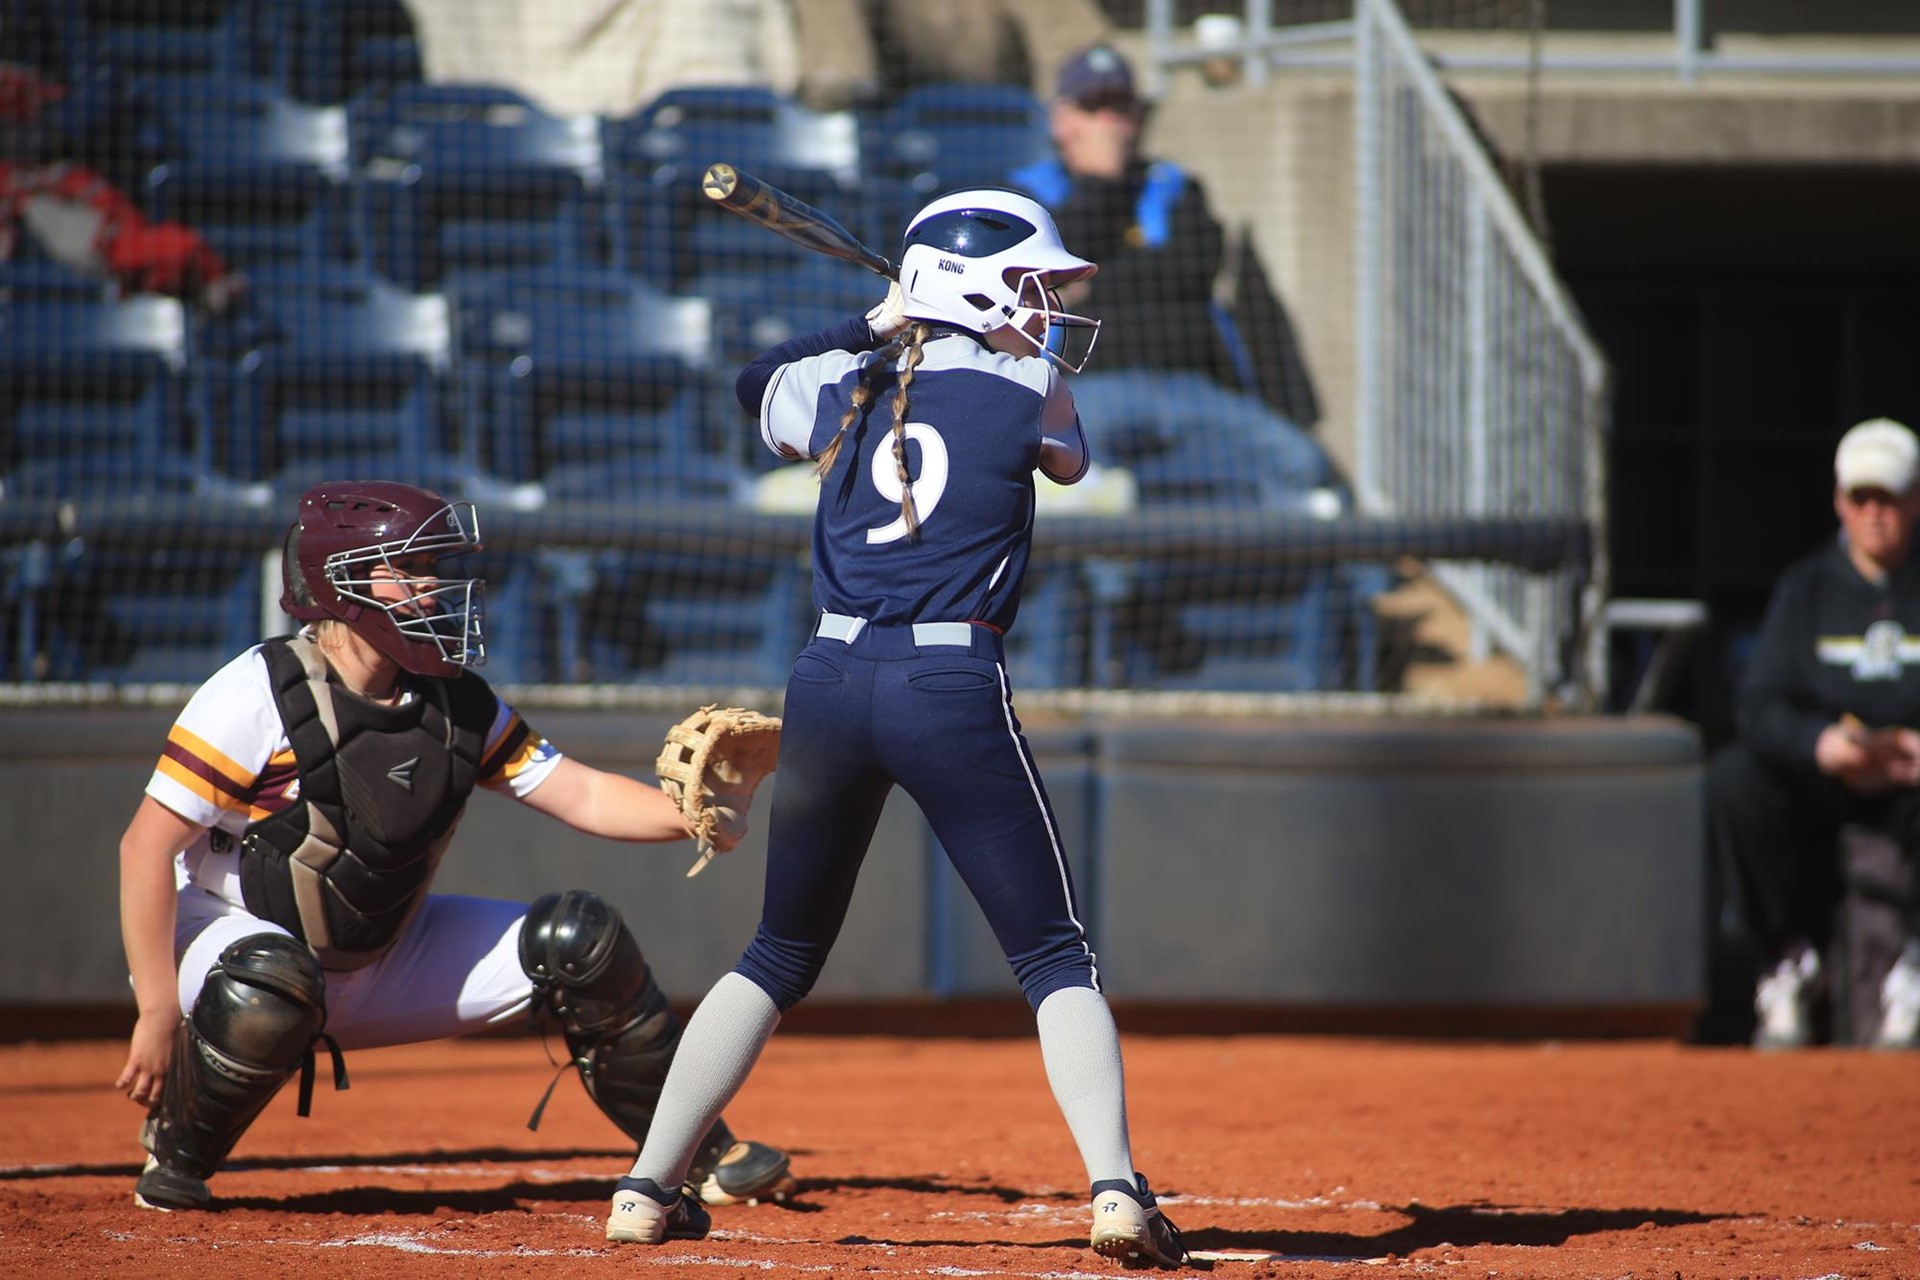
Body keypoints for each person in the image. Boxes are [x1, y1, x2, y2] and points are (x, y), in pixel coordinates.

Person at [598, 189, 1189, 1269]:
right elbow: (1069, 463)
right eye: (1033, 287)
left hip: (827, 676)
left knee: (778, 950)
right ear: (977, 287)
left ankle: (647, 1183)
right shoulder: (1031, 384)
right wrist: (927, 329)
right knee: (1055, 953)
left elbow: (752, 386)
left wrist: (864, 329)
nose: (1047, 308)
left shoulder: (847, 380)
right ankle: (1116, 1189)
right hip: (947, 684)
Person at [116, 480, 794, 1211]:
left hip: (382, 955)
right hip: (237, 947)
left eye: (435, 568)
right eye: (411, 569)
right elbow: (145, 849)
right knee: (270, 983)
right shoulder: (258, 692)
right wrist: (156, 1010)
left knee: (581, 939)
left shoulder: (455, 700)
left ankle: (699, 1156)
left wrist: (698, 813)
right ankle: (178, 1156)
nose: (435, 587)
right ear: (343, 580)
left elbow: (582, 793)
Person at [1710, 417, 1920, 1050]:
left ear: (1916, 501)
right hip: (1829, 779)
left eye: (1889, 498)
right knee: (1735, 779)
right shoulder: (1805, 589)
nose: (1875, 514)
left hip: (1911, 784)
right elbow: (1759, 705)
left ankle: (1911, 971)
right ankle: (1786, 961)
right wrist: (1823, 744)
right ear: (1839, 502)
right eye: (1862, 499)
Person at [1010, 42, 1320, 427]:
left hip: (1191, 390)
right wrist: (1100, 182)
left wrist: (1085, 286)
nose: (1107, 123)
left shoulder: (1176, 188)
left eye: (1119, 107)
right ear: (1060, 120)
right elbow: (1037, 275)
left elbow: (1191, 273)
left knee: (1300, 465)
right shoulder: (1025, 196)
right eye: (1092, 108)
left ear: (1138, 117)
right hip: (1078, 392)